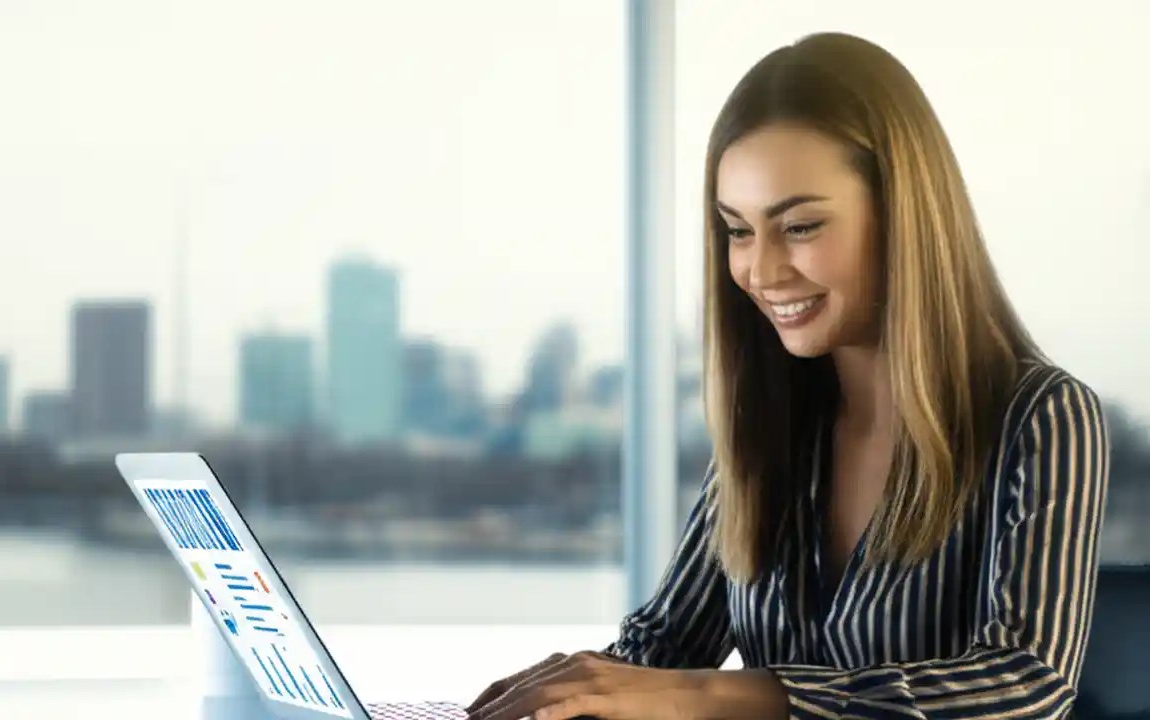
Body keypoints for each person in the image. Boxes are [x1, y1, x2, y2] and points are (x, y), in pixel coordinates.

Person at [464, 31, 1109, 720]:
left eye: (799, 226)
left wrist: (721, 695)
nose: (761, 271)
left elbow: (1026, 687)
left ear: (905, 216)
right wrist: (567, 696)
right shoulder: (769, 426)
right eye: (738, 231)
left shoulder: (1044, 417)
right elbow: (663, 654)